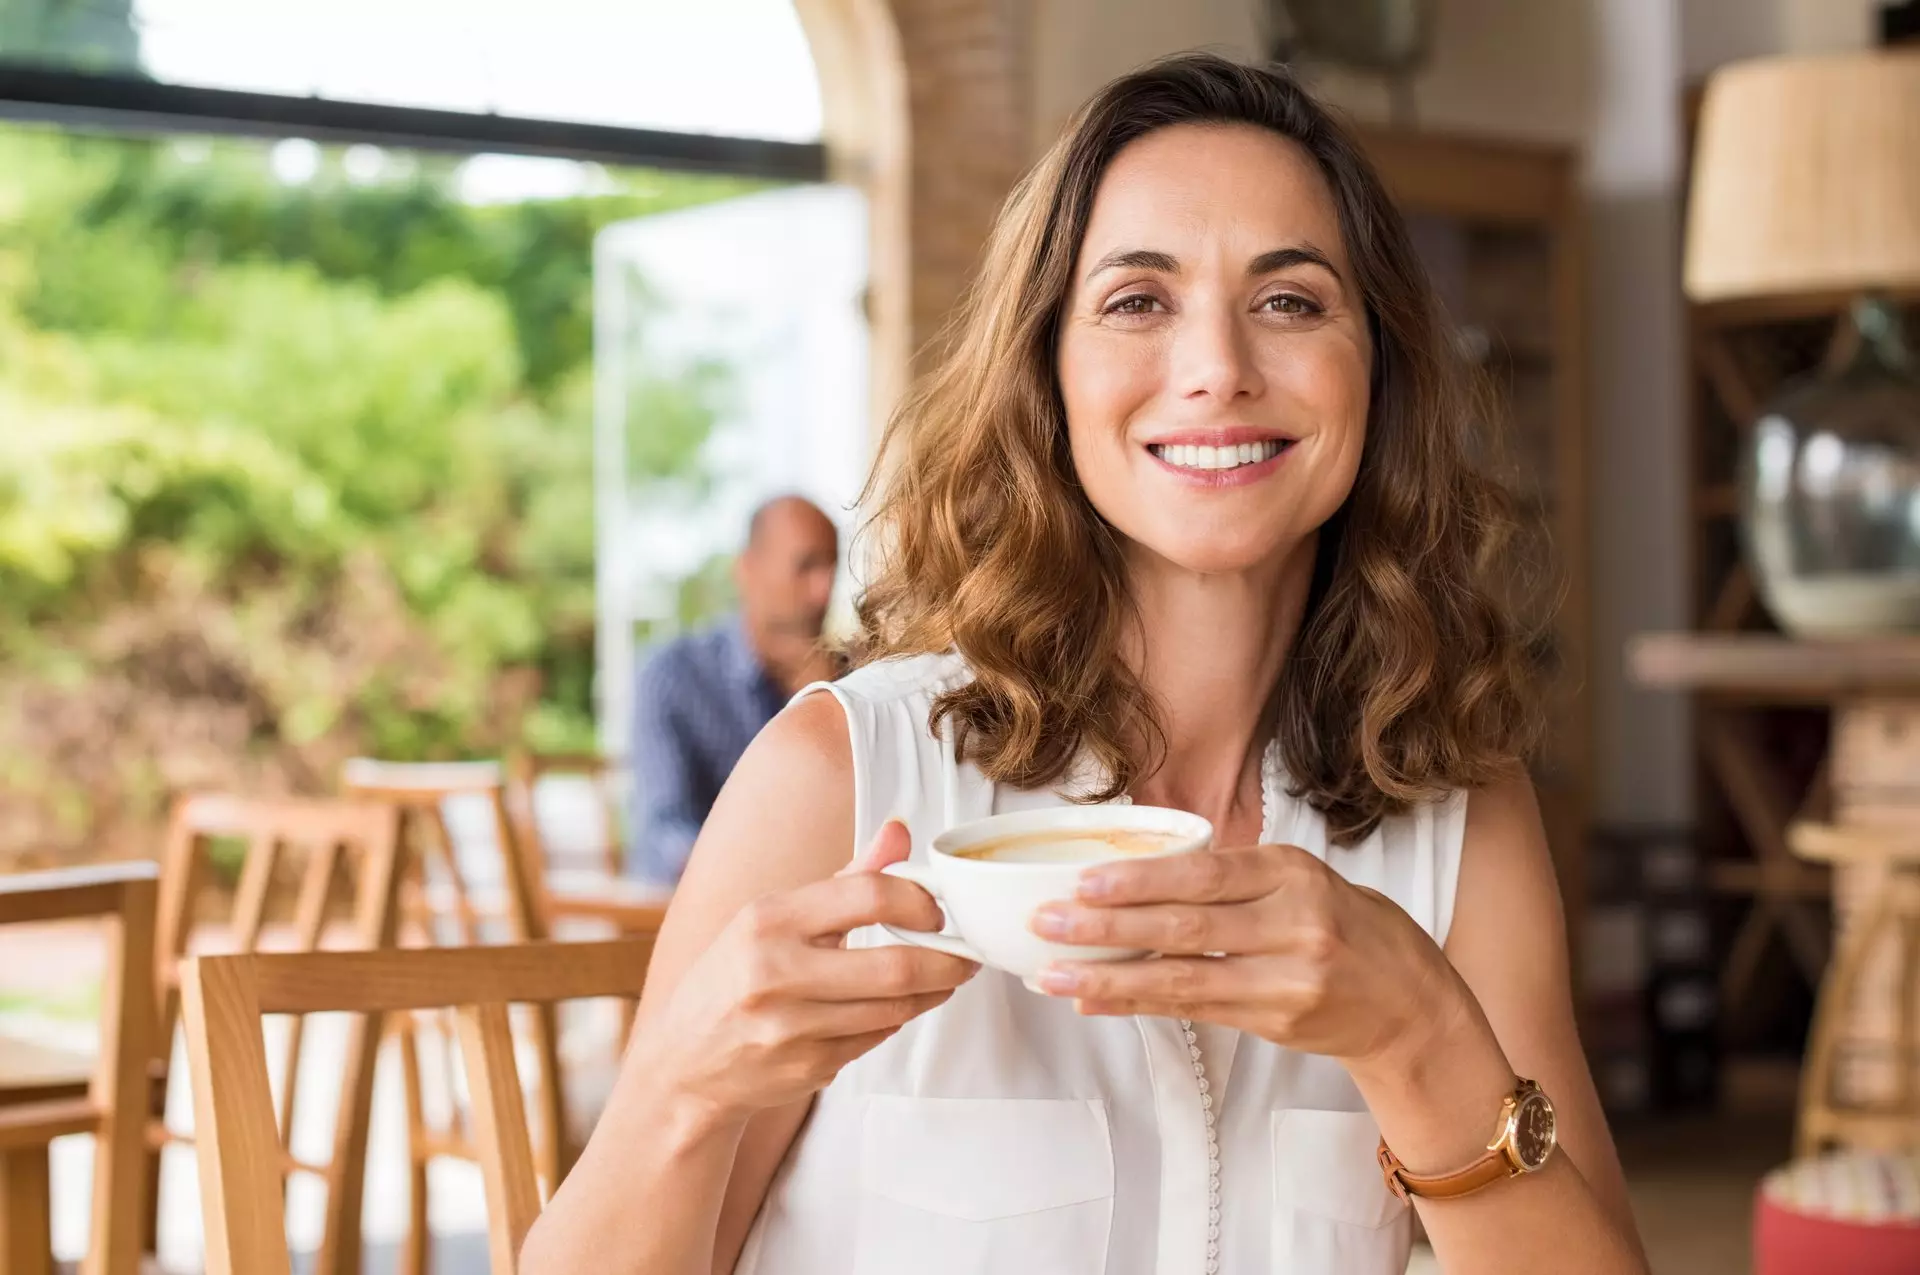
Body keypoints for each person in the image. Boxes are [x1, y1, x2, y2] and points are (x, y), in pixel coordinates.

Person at [526, 53, 1649, 1275]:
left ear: (1376, 372)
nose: (1217, 366)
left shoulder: (1460, 818)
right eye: (1136, 302)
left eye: (1290, 301)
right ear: (1046, 373)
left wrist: (1419, 1035)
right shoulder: (837, 775)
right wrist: (679, 1095)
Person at [627, 494, 841, 883]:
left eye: (831, 567)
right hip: (706, 916)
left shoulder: (850, 680)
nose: (823, 591)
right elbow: (665, 834)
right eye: (805, 566)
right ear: (747, 569)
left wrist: (824, 704)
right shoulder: (674, 675)